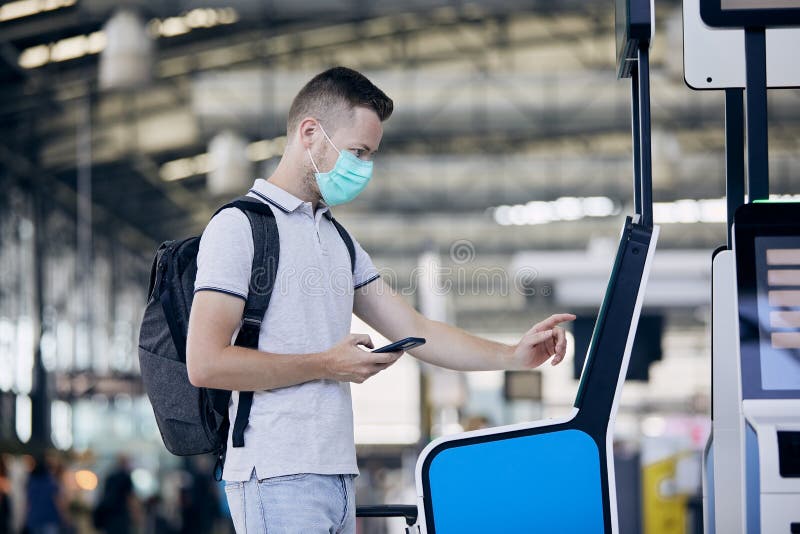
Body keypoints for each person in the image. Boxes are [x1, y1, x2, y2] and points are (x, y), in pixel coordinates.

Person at [186, 66, 575, 533]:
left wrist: (512, 355)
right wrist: (327, 364)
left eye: (370, 155)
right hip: (274, 472)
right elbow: (206, 363)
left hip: (337, 473)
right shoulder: (239, 228)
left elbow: (419, 331)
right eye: (357, 152)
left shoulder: (338, 240)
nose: (363, 168)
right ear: (310, 133)